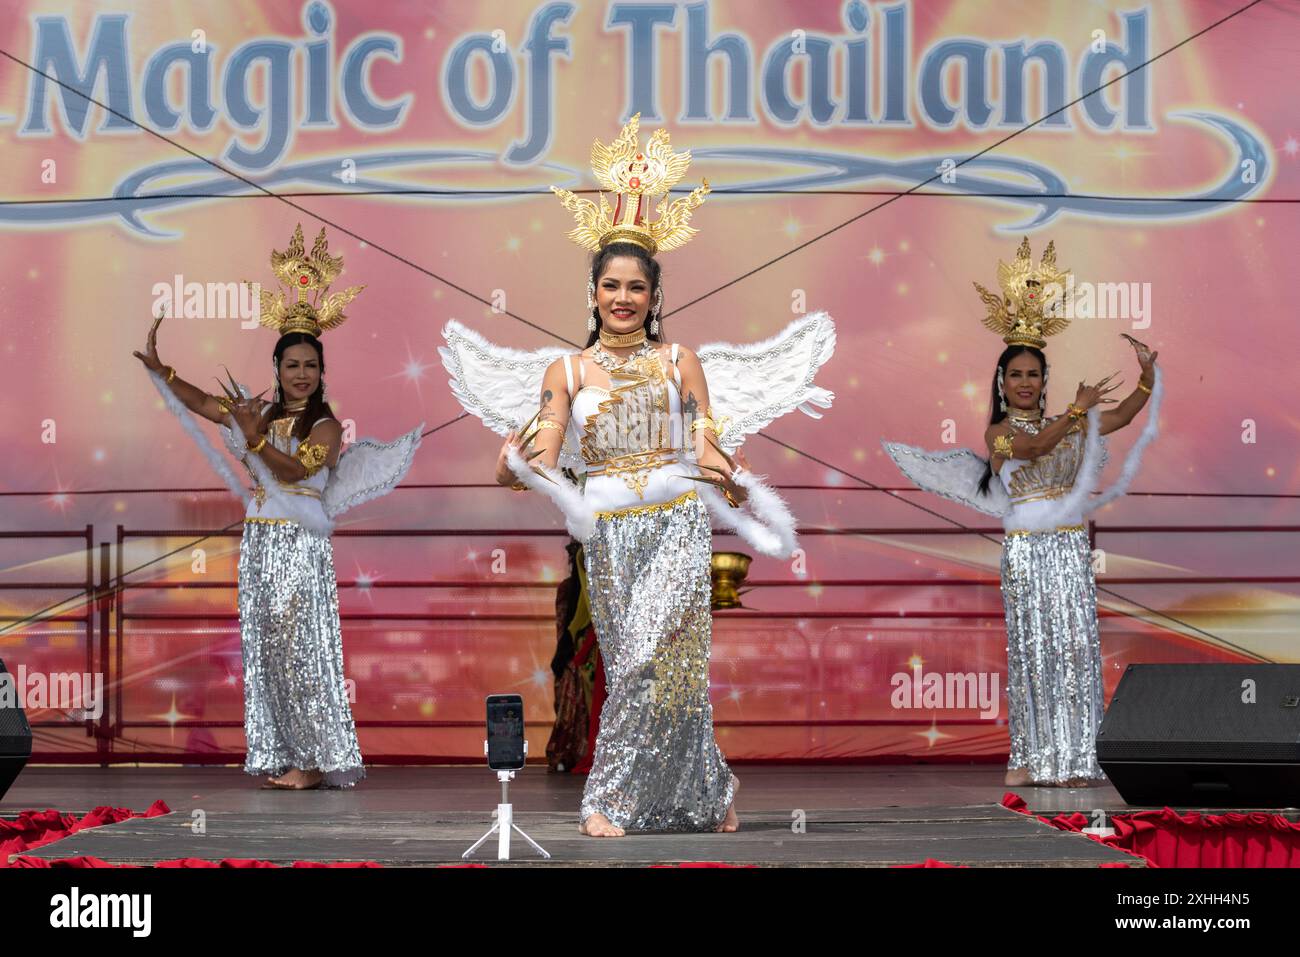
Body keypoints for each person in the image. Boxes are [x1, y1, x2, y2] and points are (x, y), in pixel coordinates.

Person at [439, 114, 837, 834]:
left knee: (662, 657)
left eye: (636, 288)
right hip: (612, 539)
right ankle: (709, 792)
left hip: (677, 525)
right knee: (649, 670)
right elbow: (544, 454)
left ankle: (608, 799)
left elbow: (704, 441)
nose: (622, 298)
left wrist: (731, 478)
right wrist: (513, 466)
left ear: (655, 296)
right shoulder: (565, 371)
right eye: (610, 285)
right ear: (592, 291)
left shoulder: (679, 361)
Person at [133, 224, 422, 789]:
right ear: (278, 370)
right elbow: (207, 405)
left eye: (310, 366)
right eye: (292, 365)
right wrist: (162, 371)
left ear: (321, 372)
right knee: (266, 652)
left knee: (299, 652)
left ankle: (313, 762)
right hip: (261, 543)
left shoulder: (326, 425)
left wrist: (255, 440)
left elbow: (298, 471)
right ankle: (287, 753)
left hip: (298, 546)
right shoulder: (260, 415)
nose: (301, 374)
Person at [883, 238, 1163, 787]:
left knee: (1074, 650)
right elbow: (1033, 449)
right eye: (1016, 375)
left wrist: (1147, 377)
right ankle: (1032, 757)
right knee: (1035, 652)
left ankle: (1075, 758)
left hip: (1069, 548)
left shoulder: (1068, 422)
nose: (1026, 383)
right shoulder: (1000, 433)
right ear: (1002, 383)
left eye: (1034, 374)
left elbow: (1124, 416)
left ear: (1043, 381)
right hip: (1028, 553)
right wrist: (1076, 411)